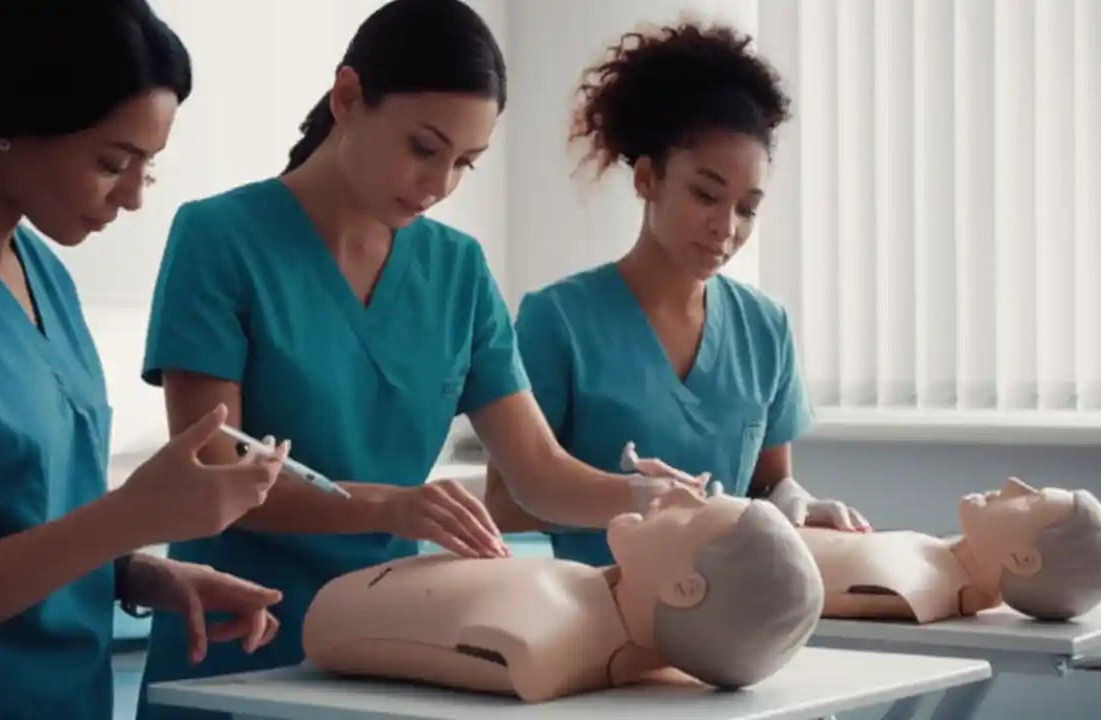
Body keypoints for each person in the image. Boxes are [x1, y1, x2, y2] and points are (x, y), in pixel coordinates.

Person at [136, 0, 699, 715]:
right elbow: (213, 479)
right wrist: (395, 505)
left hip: (387, 654)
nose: (439, 184)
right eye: (423, 148)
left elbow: (538, 474)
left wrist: (648, 498)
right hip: (233, 648)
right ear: (348, 98)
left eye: (465, 162)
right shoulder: (219, 240)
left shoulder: (457, 270)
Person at [0, 3, 291, 718]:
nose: (137, 196)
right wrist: (125, 518)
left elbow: (14, 521)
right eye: (113, 162)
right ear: (8, 122)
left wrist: (136, 574)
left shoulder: (42, 272)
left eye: (150, 166)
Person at [486, 21, 872, 567]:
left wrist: (797, 503)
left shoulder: (765, 328)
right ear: (647, 178)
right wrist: (634, 501)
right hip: (594, 618)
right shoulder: (559, 321)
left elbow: (769, 486)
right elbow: (505, 504)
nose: (726, 227)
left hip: (729, 617)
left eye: (747, 208)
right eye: (706, 194)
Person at [302, 486, 823, 701]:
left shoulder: (540, 636)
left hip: (330, 612)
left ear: (685, 590)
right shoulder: (622, 626)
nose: (682, 491)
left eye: (696, 509)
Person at [803, 477, 1101, 623]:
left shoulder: (922, 592)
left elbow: (797, 602)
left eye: (1031, 499)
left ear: (1022, 560)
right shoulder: (938, 554)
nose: (1013, 484)